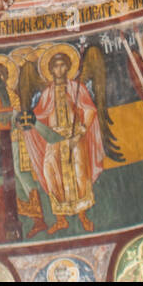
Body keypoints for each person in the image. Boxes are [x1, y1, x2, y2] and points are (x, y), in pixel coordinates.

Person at [22, 47, 104, 234]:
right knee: (51, 174)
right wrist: (27, 122)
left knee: (79, 175)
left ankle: (83, 216)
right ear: (50, 70)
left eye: (62, 66)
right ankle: (61, 219)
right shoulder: (47, 93)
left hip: (74, 137)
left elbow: (90, 110)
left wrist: (80, 132)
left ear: (68, 68)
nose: (59, 70)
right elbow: (40, 114)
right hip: (54, 139)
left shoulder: (76, 88)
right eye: (56, 67)